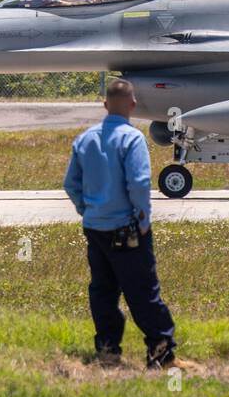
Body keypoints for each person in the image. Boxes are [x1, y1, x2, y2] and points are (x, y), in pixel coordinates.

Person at [64, 78, 184, 369]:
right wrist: (143, 218)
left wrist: (87, 210)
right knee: (142, 291)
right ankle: (161, 354)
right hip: (127, 228)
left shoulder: (85, 139)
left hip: (95, 228)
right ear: (133, 105)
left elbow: (71, 184)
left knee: (103, 291)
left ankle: (108, 351)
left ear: (105, 104)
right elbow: (139, 183)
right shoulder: (132, 139)